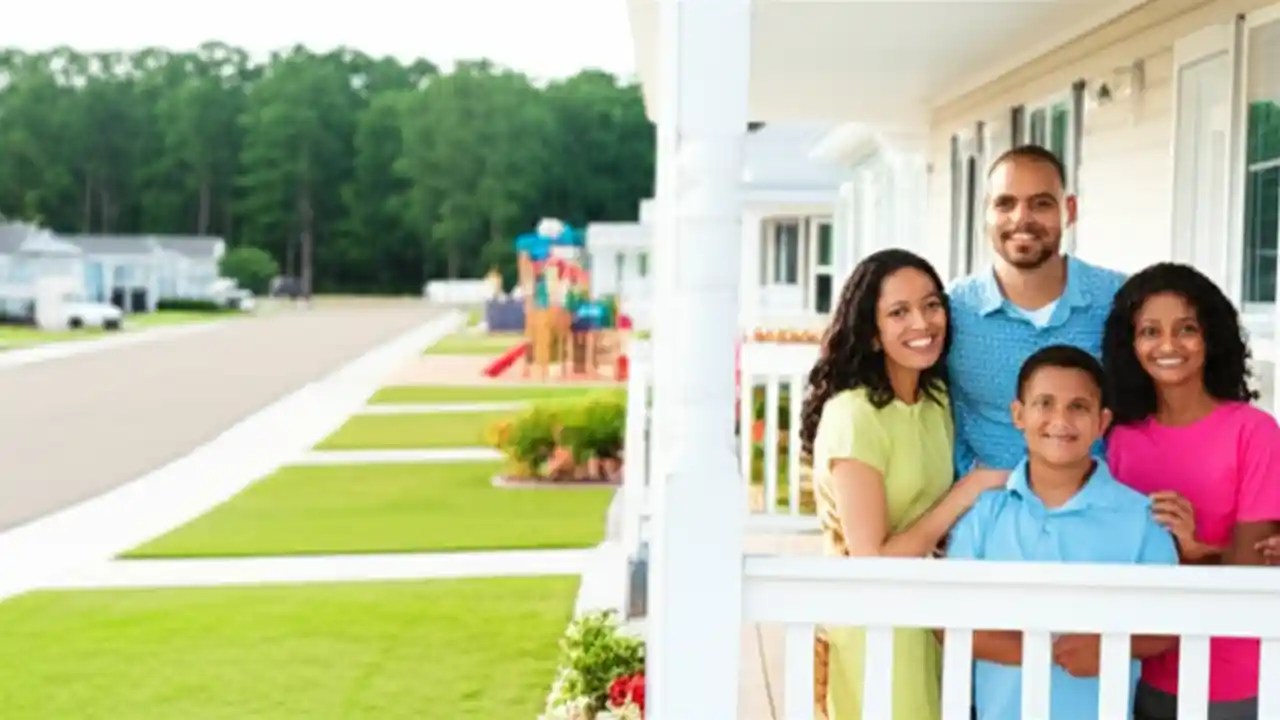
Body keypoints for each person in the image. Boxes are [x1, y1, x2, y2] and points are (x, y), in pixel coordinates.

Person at [798, 248, 1008, 720]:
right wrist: (967, 492)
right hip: (871, 626)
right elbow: (872, 560)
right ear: (872, 334)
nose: (923, 322)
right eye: (899, 312)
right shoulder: (854, 416)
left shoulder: (934, 398)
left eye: (931, 305)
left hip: (928, 617)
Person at [945, 345, 1180, 719]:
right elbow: (947, 623)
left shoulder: (1142, 518)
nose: (1061, 419)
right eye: (1045, 403)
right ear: (1018, 415)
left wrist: (1110, 648)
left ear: (1102, 422)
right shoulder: (985, 514)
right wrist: (1045, 652)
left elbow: (1168, 627)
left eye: (1078, 407)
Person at [1102, 263, 1280, 719]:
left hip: (1235, 675)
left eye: (1186, 329)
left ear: (1210, 337)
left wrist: (1197, 548)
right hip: (1143, 670)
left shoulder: (1254, 433)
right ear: (1130, 344)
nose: (1167, 345)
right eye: (1149, 331)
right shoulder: (1120, 440)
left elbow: (1253, 569)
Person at [947, 145, 1126, 475]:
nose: (1022, 219)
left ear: (1069, 210)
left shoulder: (1120, 300)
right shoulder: (951, 311)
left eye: (1041, 203)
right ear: (985, 212)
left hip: (1096, 510)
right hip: (985, 512)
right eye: (1005, 203)